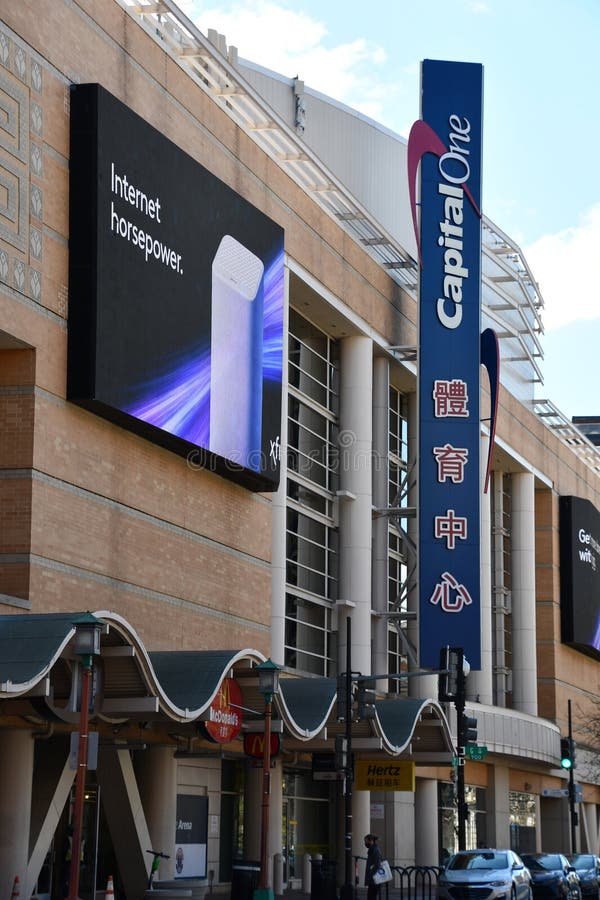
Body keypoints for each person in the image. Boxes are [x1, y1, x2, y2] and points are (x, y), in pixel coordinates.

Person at [364, 833, 383, 900]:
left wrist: (371, 873)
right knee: (371, 896)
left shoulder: (374, 850)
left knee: (371, 896)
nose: (365, 843)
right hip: (373, 879)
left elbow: (377, 864)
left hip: (374, 879)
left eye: (366, 841)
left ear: (371, 841)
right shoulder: (372, 849)